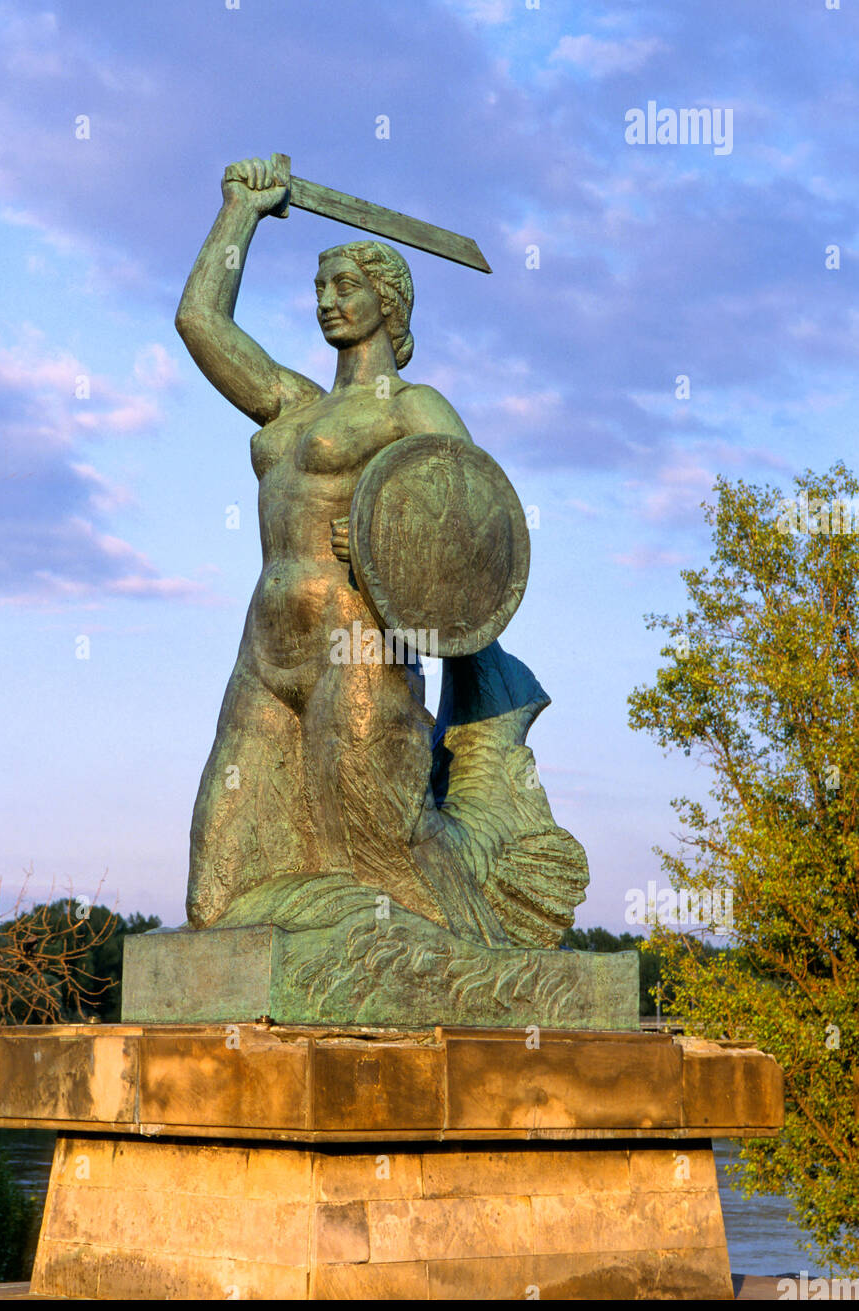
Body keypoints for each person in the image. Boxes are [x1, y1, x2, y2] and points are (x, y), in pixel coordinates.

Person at [175, 156, 587, 946]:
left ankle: (492, 936)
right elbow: (200, 323)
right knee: (216, 890)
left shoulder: (415, 407)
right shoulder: (292, 402)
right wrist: (241, 213)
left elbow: (475, 534)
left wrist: (383, 552)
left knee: (377, 866)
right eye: (320, 290)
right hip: (266, 650)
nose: (328, 301)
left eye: (346, 287)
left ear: (387, 302)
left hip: (356, 646)